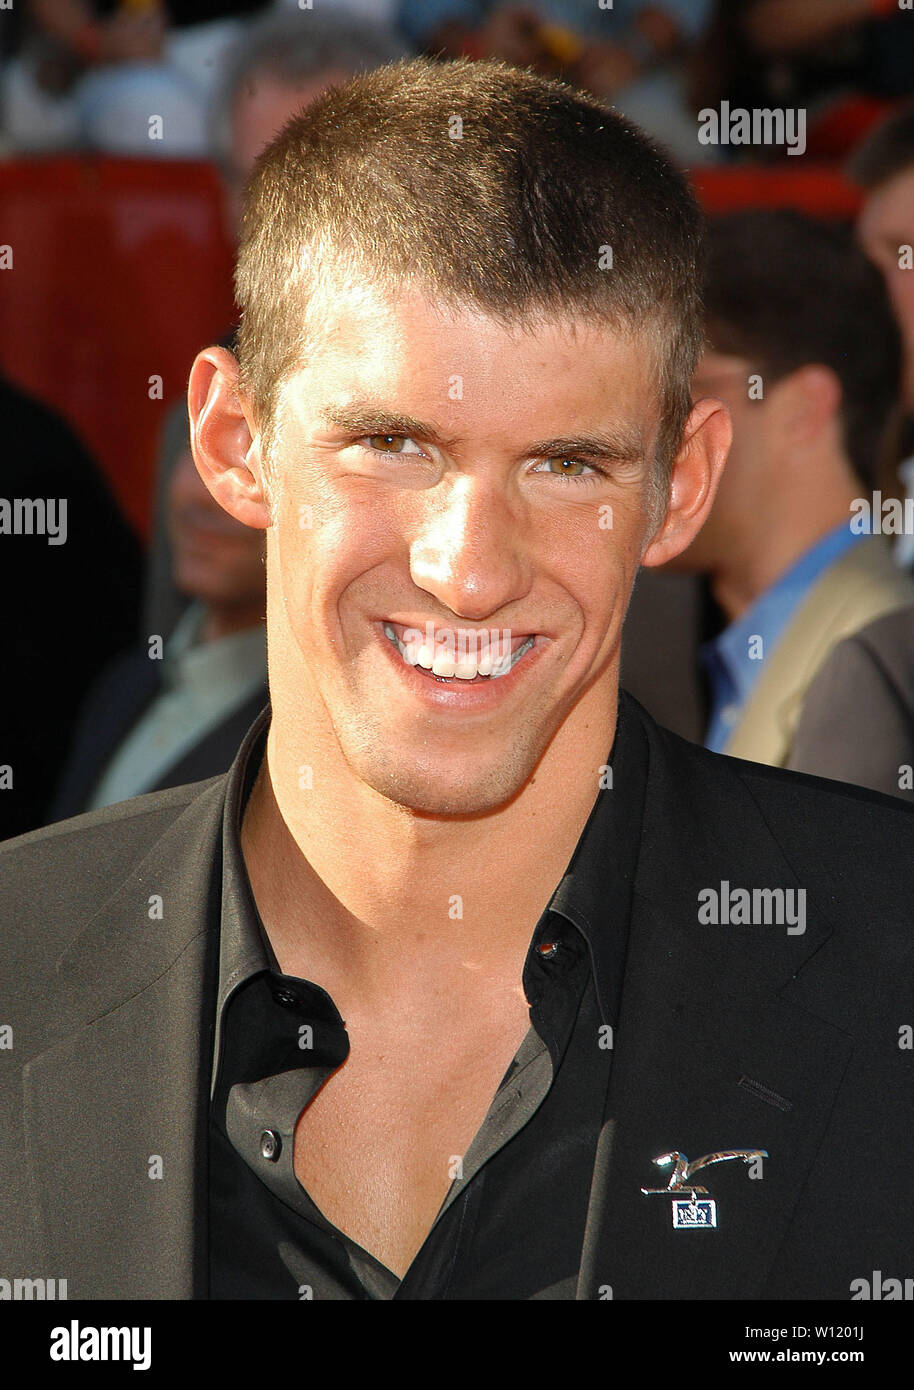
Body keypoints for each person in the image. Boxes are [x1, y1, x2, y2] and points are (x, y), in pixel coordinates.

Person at [1, 58, 913, 1302]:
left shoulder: (884, 953)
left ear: (678, 486)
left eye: (565, 463)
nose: (469, 570)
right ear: (233, 443)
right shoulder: (20, 962)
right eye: (390, 444)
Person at [660, 209, 914, 768]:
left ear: (804, 407)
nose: (647, 433)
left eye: (681, 392)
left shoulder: (876, 656)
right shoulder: (764, 638)